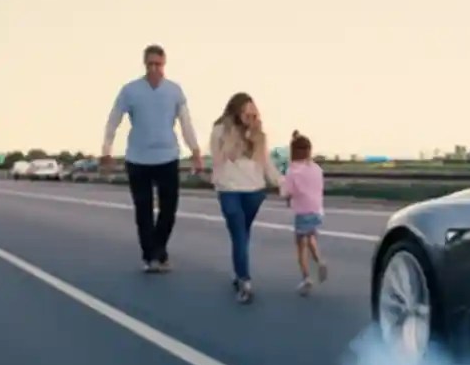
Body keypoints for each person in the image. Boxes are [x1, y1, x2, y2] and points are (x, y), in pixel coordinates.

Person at [100, 43, 204, 273]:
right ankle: (151, 257)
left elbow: (186, 123)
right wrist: (106, 149)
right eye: (150, 64)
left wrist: (196, 152)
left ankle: (159, 250)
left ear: (164, 64)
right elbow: (113, 120)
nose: (154, 68)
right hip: (138, 159)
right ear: (144, 64)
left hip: (167, 157)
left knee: (169, 210)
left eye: (158, 64)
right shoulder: (130, 90)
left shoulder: (174, 91)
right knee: (143, 210)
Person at [209, 92, 284, 304]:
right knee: (239, 233)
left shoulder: (259, 135)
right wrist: (235, 139)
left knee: (242, 234)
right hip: (229, 190)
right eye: (245, 113)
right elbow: (220, 159)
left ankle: (238, 273)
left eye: (253, 114)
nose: (249, 117)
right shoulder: (220, 130)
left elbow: (266, 163)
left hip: (254, 191)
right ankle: (245, 280)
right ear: (235, 111)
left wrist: (282, 183)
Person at [279, 130, 329, 296]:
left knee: (301, 247)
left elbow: (286, 192)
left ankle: (307, 278)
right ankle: (320, 262)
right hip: (317, 211)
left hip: (303, 212)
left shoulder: (292, 171)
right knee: (311, 236)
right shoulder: (316, 168)